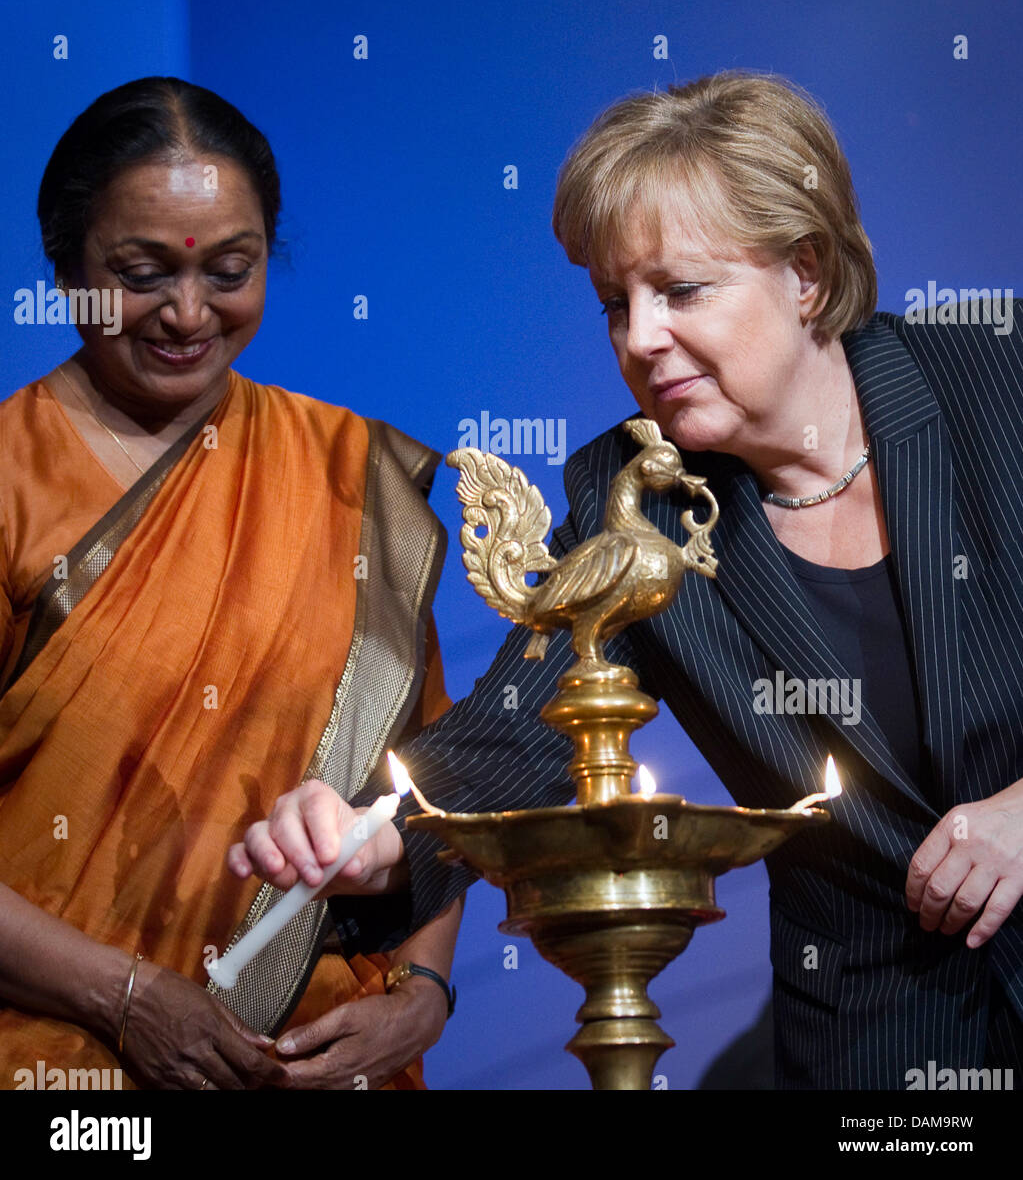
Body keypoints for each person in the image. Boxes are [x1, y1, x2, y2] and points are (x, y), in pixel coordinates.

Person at [232, 70, 1023, 1089]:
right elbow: (510, 731)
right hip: (883, 1050)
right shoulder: (634, 496)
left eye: (681, 290)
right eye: (616, 301)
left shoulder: (995, 378)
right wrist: (371, 836)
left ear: (808, 274)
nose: (638, 338)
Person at [0, 77, 461, 1091]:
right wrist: (121, 995)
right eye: (142, 271)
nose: (187, 312)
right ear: (64, 262)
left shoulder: (350, 472)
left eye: (232, 270)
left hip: (322, 1060)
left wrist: (423, 999)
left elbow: (425, 788)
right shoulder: (10, 481)